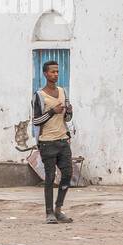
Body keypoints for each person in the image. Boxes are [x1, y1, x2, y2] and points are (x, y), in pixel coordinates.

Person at [31, 60, 74, 224]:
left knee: (68, 174)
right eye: (52, 72)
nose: (55, 74)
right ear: (45, 74)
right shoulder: (39, 96)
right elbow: (36, 121)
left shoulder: (63, 92)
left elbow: (67, 118)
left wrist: (69, 112)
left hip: (63, 140)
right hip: (47, 142)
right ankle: (49, 213)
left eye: (57, 71)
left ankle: (58, 209)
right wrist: (51, 111)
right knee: (49, 177)